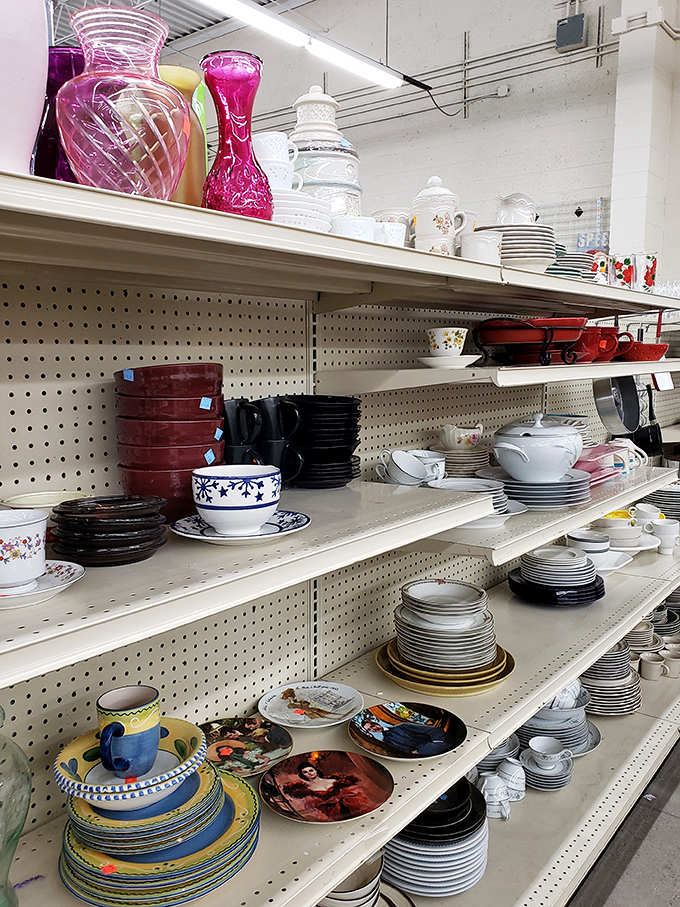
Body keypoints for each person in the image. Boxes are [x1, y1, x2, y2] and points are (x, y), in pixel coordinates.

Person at [282, 761, 371, 820]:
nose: (309, 773)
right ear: (303, 775)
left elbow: (353, 791)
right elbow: (313, 805)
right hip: (333, 812)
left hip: (350, 805)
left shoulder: (331, 780)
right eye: (305, 772)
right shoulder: (308, 788)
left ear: (315, 770)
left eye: (311, 770)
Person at [360, 716, 448, 756]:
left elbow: (434, 730)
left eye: (372, 726)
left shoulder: (402, 726)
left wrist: (437, 743)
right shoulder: (387, 742)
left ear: (376, 723)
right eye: (369, 730)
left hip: (438, 747)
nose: (373, 729)